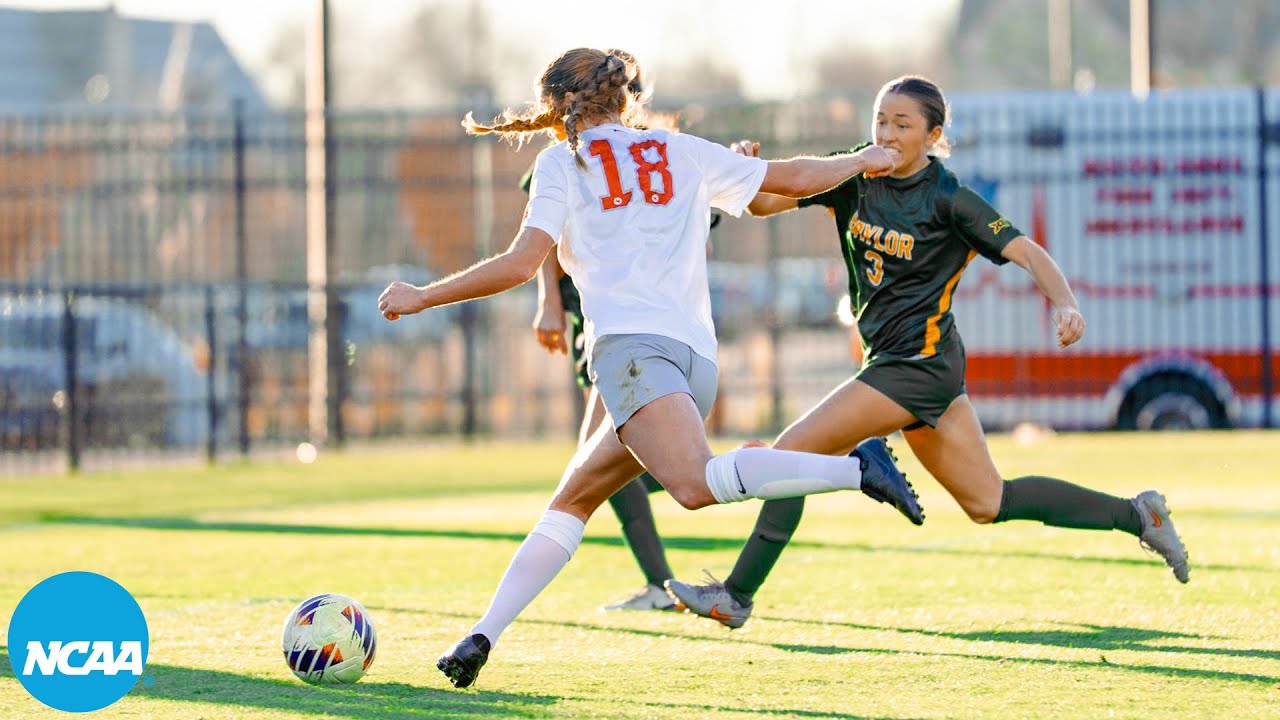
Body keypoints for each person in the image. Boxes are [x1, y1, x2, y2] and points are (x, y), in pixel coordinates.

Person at [377, 48, 923, 688]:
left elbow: (520, 264)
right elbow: (794, 177)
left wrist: (422, 296)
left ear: (558, 107)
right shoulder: (680, 149)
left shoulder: (563, 163)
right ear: (624, 98)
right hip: (694, 362)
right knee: (574, 497)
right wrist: (861, 158)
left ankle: (857, 467)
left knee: (693, 486)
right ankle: (479, 637)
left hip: (635, 356)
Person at [664, 75, 1191, 631]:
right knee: (989, 502)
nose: (886, 133)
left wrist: (1065, 304)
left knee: (790, 453)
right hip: (900, 366)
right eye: (880, 120)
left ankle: (736, 595)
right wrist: (744, 171)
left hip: (918, 366)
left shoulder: (949, 198)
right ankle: (1138, 515)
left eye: (902, 124)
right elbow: (769, 204)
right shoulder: (856, 174)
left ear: (934, 134)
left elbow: (1027, 250)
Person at [524, 51, 682, 612]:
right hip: (594, 319)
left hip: (628, 326)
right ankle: (661, 582)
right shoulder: (566, 160)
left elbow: (697, 223)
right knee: (603, 460)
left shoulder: (657, 154)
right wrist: (548, 303)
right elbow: (539, 239)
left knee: (601, 461)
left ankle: (662, 583)